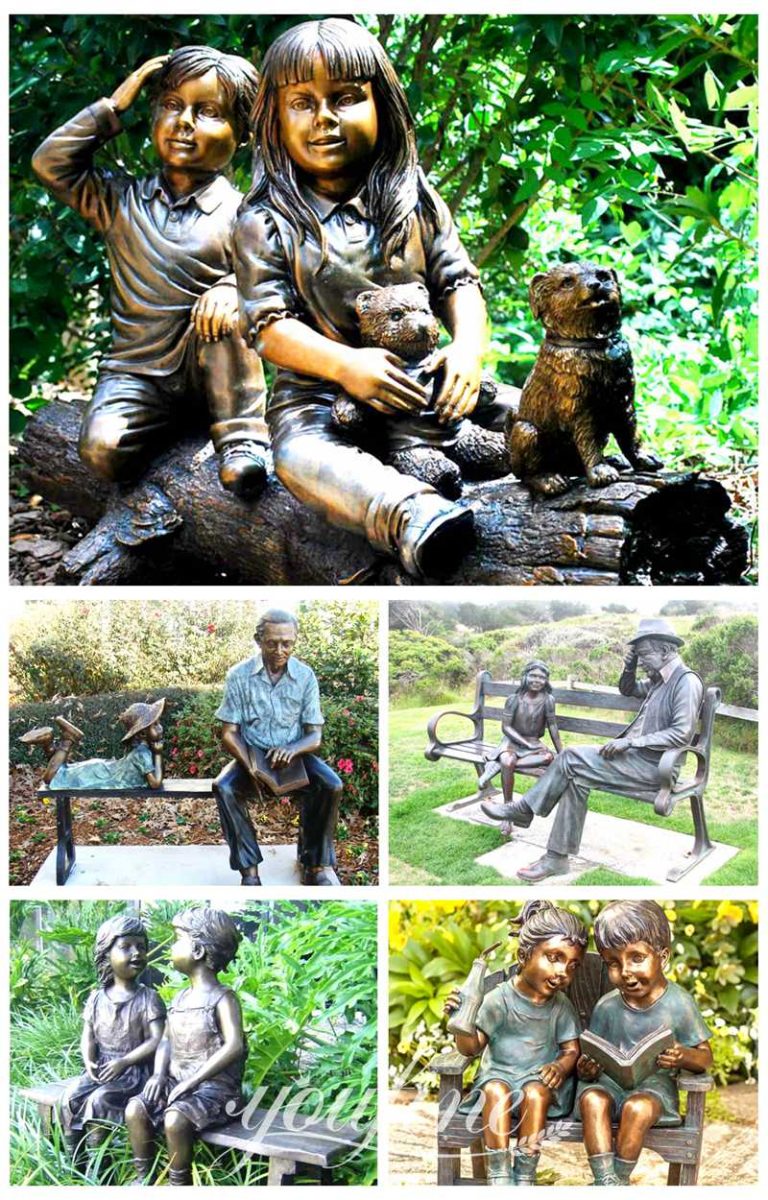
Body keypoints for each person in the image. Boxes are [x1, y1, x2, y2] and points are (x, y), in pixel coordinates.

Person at [234, 18, 515, 578]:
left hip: (430, 380)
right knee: (298, 458)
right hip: (323, 400)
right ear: (274, 117)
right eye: (302, 103)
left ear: (381, 104)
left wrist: (466, 352)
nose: (324, 119)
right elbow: (267, 325)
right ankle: (411, 514)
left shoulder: (415, 198)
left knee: (520, 407)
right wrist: (346, 365)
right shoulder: (265, 221)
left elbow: (459, 282)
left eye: (345, 99)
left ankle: (577, 463)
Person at [32, 45, 269, 497]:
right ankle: (169, 430)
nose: (184, 122)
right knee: (102, 451)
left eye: (208, 112)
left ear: (241, 136)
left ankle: (241, 437)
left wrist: (236, 287)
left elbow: (280, 284)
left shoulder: (247, 215)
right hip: (136, 373)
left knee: (225, 308)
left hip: (215, 368)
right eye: (172, 106)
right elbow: (49, 164)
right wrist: (114, 105)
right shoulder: (120, 202)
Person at [482, 618, 703, 881]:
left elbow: (681, 733)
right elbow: (628, 689)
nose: (642, 661)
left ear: (666, 651)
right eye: (639, 656)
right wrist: (630, 663)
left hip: (655, 767)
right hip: (634, 759)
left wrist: (630, 742)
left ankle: (524, 810)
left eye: (644, 654)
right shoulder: (659, 680)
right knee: (576, 777)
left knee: (570, 757)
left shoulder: (685, 682)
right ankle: (556, 859)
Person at [445, 900, 587, 1185]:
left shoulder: (560, 1006)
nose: (563, 972)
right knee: (495, 1090)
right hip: (499, 1075)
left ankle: (525, 1173)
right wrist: (460, 1022)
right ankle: (498, 1172)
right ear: (524, 956)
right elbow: (471, 1048)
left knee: (534, 1093)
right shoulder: (499, 999)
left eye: (572, 965)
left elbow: (572, 1049)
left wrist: (560, 1067)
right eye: (554, 957)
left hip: (540, 1083)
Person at [576, 900, 712, 1185]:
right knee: (591, 1099)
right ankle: (605, 1180)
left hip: (654, 1090)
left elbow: (704, 1058)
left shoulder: (678, 1003)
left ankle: (618, 1179)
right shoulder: (606, 1007)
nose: (624, 971)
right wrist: (587, 1068)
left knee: (636, 1108)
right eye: (613, 963)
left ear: (662, 957)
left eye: (636, 958)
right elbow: (592, 1053)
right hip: (608, 1084)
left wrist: (682, 1056)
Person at [213, 608, 342, 886]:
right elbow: (229, 733)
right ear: (258, 640)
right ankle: (249, 871)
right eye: (272, 643)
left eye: (287, 643)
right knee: (224, 787)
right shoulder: (239, 675)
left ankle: (314, 864)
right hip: (253, 754)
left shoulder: (305, 676)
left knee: (331, 785)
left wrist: (294, 749)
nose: (280, 650)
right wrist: (251, 767)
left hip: (293, 756)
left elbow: (314, 736)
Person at [125, 907, 246, 1186]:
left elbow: (234, 1046)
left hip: (215, 1091)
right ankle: (143, 1179)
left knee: (175, 1120)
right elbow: (166, 1040)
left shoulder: (223, 998)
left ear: (199, 951)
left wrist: (193, 1080)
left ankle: (178, 1185)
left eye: (177, 939)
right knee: (135, 1109)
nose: (171, 946)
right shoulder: (180, 999)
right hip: (179, 1083)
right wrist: (158, 1075)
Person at [60, 914, 166, 1172]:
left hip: (134, 1073)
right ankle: (76, 1166)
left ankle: (101, 1170)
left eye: (141, 946)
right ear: (106, 953)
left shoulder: (148, 998)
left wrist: (125, 1061)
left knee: (100, 1101)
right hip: (103, 1068)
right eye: (126, 947)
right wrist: (88, 1060)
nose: (136, 953)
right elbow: (88, 1035)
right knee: (69, 1098)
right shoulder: (96, 998)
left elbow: (158, 1039)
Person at [478, 661, 562, 827]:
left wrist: (561, 751)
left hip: (533, 741)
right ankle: (508, 809)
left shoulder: (548, 700)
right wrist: (526, 744)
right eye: (533, 675)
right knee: (508, 760)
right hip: (512, 741)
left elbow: (552, 726)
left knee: (548, 757)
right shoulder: (514, 699)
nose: (537, 680)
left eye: (542, 677)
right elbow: (506, 727)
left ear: (546, 681)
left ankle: (496, 766)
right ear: (525, 677)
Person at [20, 700, 165, 790]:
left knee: (63, 771)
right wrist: (158, 754)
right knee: (52, 777)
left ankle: (49, 745)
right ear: (142, 734)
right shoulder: (142, 753)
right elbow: (155, 784)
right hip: (102, 776)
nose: (160, 728)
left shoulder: (141, 750)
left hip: (103, 770)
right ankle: (68, 739)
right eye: (155, 725)